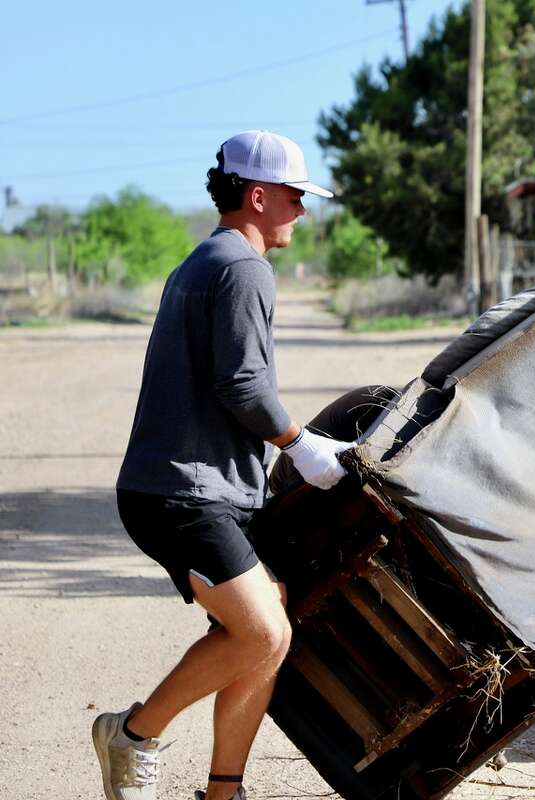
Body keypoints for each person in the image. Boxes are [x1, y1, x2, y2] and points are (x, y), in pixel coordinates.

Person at [93, 130, 357, 800]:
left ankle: (224, 793)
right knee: (263, 629)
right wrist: (302, 445)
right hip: (183, 492)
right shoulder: (242, 266)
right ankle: (131, 735)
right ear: (259, 195)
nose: (303, 210)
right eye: (296, 197)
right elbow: (242, 384)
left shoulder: (204, 260)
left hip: (192, 486)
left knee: (269, 621)